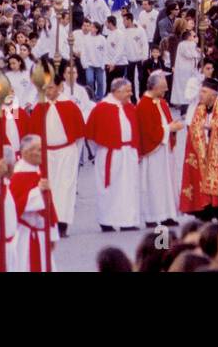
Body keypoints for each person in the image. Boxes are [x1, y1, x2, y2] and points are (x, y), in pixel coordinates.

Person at [27, 76, 86, 237]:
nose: (48, 91)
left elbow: (79, 134)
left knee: (65, 188)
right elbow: (33, 132)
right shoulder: (40, 107)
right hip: (46, 154)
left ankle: (62, 223)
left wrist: (75, 154)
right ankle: (48, 220)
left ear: (60, 87)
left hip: (66, 152)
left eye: (51, 87)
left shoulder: (70, 106)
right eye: (45, 88)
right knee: (48, 187)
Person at [179, 78, 218, 221]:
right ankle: (204, 211)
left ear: (214, 95)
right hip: (202, 152)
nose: (200, 95)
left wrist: (213, 127)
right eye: (201, 91)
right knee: (199, 178)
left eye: (204, 92)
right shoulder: (199, 108)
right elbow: (194, 126)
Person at [86, 78, 141, 231]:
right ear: (117, 91)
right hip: (109, 154)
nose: (131, 93)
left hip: (128, 152)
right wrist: (101, 149)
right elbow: (91, 135)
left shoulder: (130, 107)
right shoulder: (102, 108)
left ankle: (128, 221)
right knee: (109, 188)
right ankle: (107, 220)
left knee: (129, 187)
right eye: (128, 91)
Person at [136, 72, 183, 227]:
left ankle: (168, 214)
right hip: (154, 151)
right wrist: (170, 127)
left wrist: (173, 127)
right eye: (163, 89)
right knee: (154, 184)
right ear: (154, 87)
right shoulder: (143, 104)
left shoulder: (161, 102)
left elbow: (166, 122)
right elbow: (148, 131)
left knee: (168, 183)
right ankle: (152, 216)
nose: (165, 92)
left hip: (165, 150)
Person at [10, 135, 59, 272]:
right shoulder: (18, 175)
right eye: (38, 149)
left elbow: (48, 205)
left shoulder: (37, 170)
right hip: (25, 236)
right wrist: (38, 191)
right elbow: (15, 207)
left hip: (41, 234)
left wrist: (53, 233)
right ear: (26, 152)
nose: (42, 153)